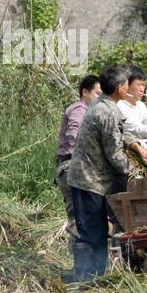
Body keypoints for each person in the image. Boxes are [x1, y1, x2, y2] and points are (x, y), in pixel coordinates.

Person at [65, 66, 147, 282]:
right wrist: (136, 172)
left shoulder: (107, 106)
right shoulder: (105, 112)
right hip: (88, 180)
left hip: (94, 180)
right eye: (127, 83)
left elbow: (123, 132)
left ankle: (95, 275)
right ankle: (86, 279)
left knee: (97, 231)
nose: (130, 85)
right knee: (92, 233)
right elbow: (115, 154)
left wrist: (138, 148)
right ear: (119, 88)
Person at [56, 74, 101, 237]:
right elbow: (74, 134)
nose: (100, 98)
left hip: (77, 167)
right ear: (85, 92)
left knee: (82, 223)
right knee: (80, 223)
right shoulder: (78, 110)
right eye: (97, 94)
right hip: (72, 166)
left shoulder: (92, 112)